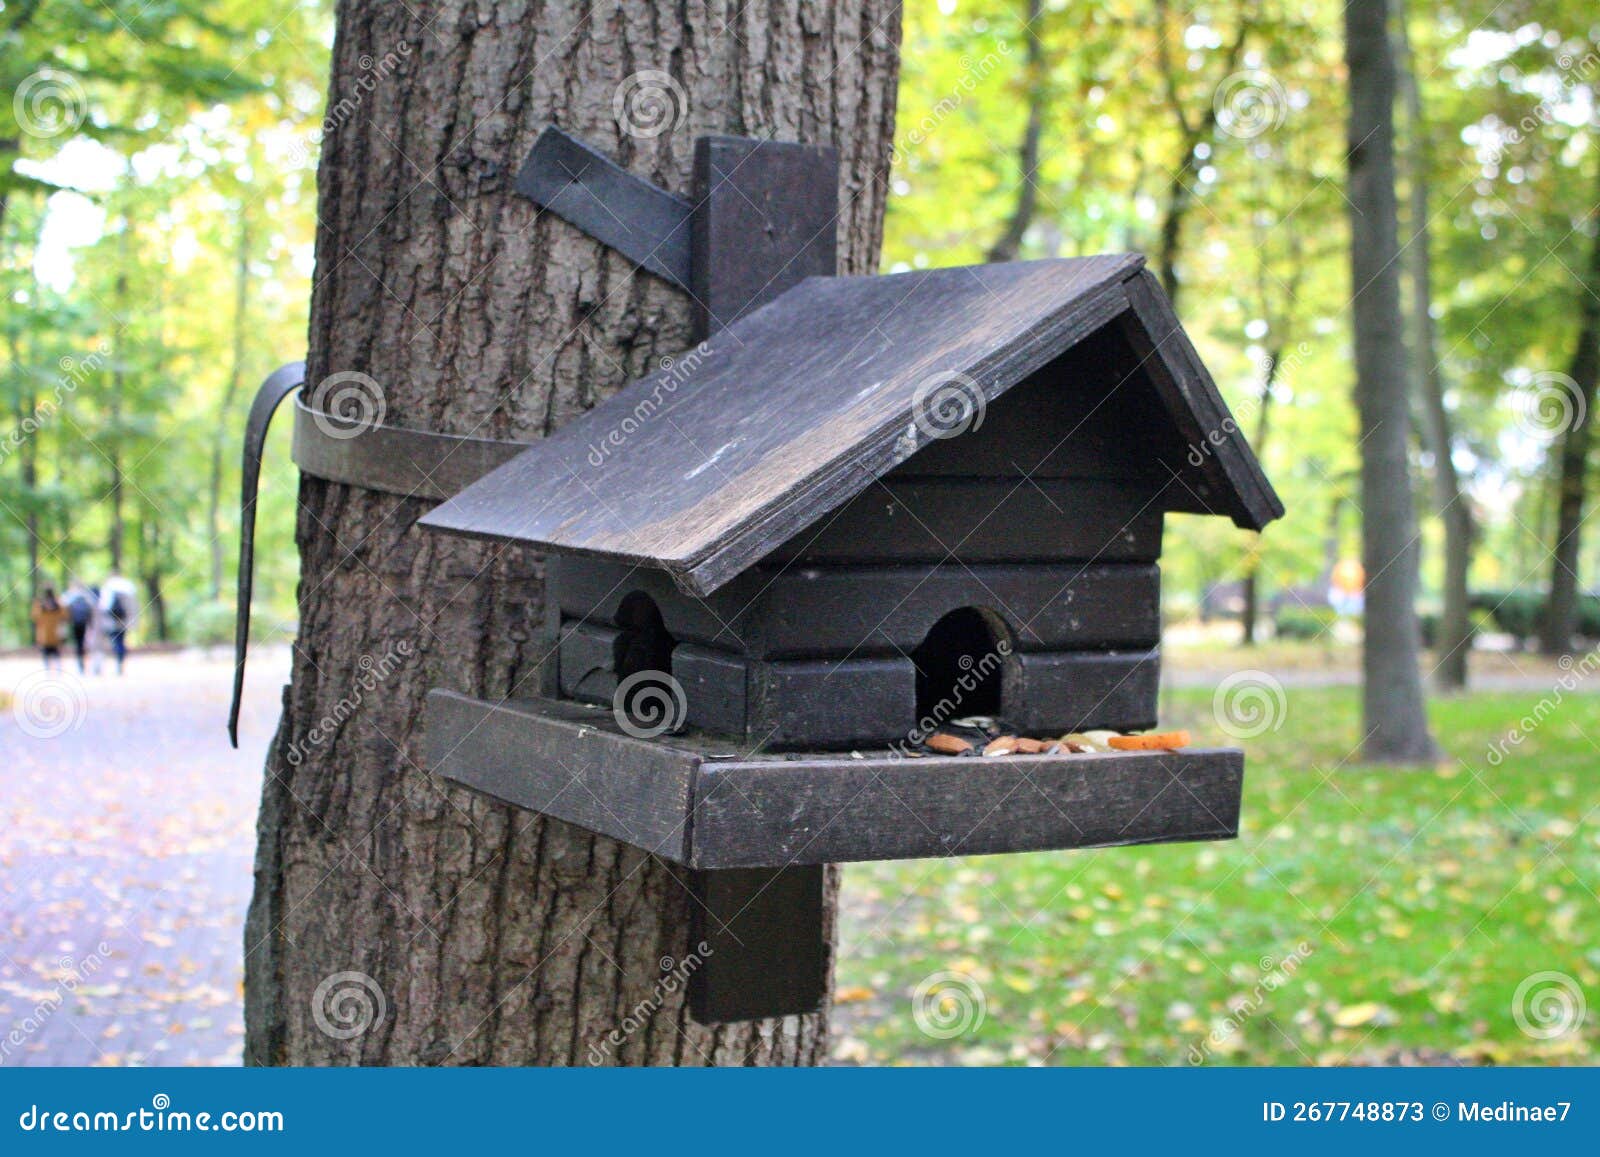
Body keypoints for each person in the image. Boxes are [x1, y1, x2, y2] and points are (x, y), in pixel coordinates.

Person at [99, 573, 138, 675]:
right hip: (123, 622)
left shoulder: (108, 591)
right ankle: (120, 661)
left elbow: (103, 608)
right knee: (121, 641)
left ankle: (118, 659)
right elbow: (132, 609)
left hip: (112, 623)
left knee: (116, 642)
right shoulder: (126, 592)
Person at [30, 586, 70, 671]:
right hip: (55, 634)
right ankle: (57, 668)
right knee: (55, 652)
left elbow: (34, 617)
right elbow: (65, 616)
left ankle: (48, 669)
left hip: (44, 634)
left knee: (47, 652)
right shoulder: (58, 603)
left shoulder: (40, 604)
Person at [63, 580, 94, 673]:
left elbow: (63, 606)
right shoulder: (85, 595)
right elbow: (91, 608)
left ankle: (80, 660)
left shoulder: (70, 595)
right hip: (83, 622)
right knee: (81, 642)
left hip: (74, 622)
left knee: (78, 642)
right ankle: (81, 660)